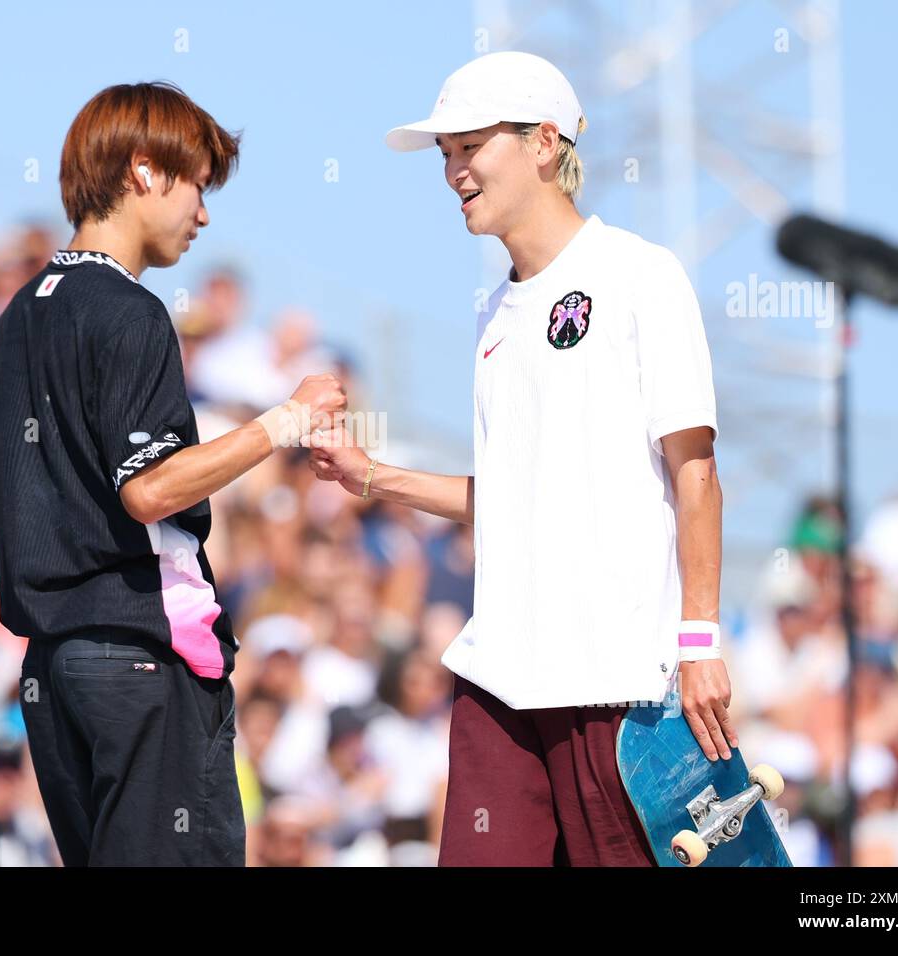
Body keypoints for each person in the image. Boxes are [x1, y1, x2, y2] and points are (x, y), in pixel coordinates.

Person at [308, 51, 733, 866]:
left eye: (470, 146)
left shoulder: (642, 274)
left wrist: (700, 642)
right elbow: (512, 494)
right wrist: (373, 477)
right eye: (445, 156)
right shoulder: (494, 314)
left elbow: (696, 472)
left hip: (621, 685)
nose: (453, 171)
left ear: (544, 143)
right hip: (500, 679)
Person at [0, 81, 346, 866]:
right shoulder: (129, 310)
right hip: (137, 661)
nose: (204, 214)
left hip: (52, 674)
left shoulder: (25, 310)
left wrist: (42, 580)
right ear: (145, 171)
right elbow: (150, 488)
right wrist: (283, 422)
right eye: (196, 185)